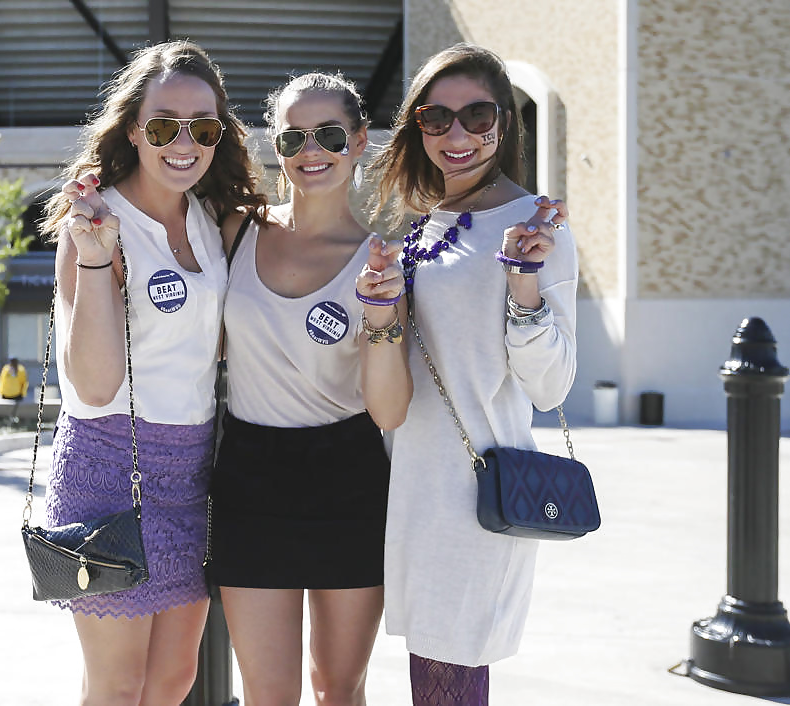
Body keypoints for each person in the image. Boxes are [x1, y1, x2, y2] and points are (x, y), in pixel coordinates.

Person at [38, 40, 265, 705]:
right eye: (164, 125)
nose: (183, 142)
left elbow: (216, 346)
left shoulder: (206, 220)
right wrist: (92, 255)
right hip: (110, 464)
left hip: (189, 473)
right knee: (118, 687)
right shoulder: (97, 221)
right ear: (135, 129)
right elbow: (97, 384)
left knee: (171, 682)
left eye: (203, 127)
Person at [365, 43, 576, 704]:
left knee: (449, 683)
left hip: (477, 494)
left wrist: (524, 288)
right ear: (415, 127)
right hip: (411, 488)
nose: (456, 135)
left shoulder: (535, 225)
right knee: (428, 676)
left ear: (502, 123)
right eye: (435, 118)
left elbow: (550, 387)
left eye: (476, 114)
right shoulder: (420, 228)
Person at [208, 72, 412, 706]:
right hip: (249, 475)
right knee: (268, 694)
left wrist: (381, 318)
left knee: (338, 689)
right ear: (277, 145)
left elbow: (389, 408)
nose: (311, 150)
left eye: (328, 134)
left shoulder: (381, 259)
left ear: (358, 142)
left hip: (347, 476)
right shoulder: (235, 231)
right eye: (294, 136)